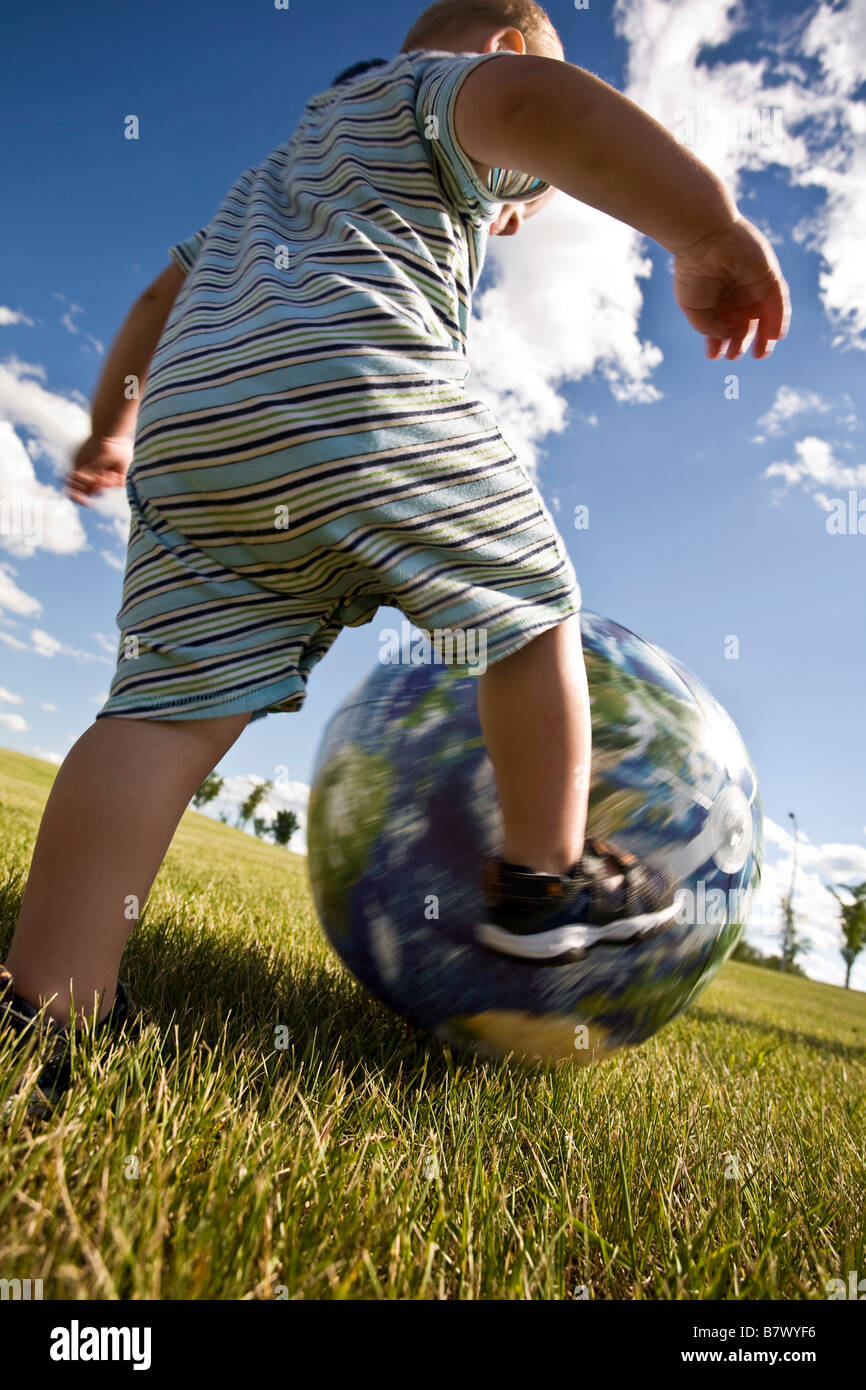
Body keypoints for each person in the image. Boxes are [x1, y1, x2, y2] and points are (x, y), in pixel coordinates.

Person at [1, 0, 790, 1109]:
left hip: (196, 437)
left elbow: (152, 300)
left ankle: (50, 1007)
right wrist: (702, 226)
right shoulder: (445, 92)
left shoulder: (266, 182)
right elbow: (538, 109)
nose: (511, 212)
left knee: (158, 716)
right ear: (500, 46)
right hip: (354, 383)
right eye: (523, 194)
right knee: (527, 610)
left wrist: (107, 428)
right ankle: (543, 878)